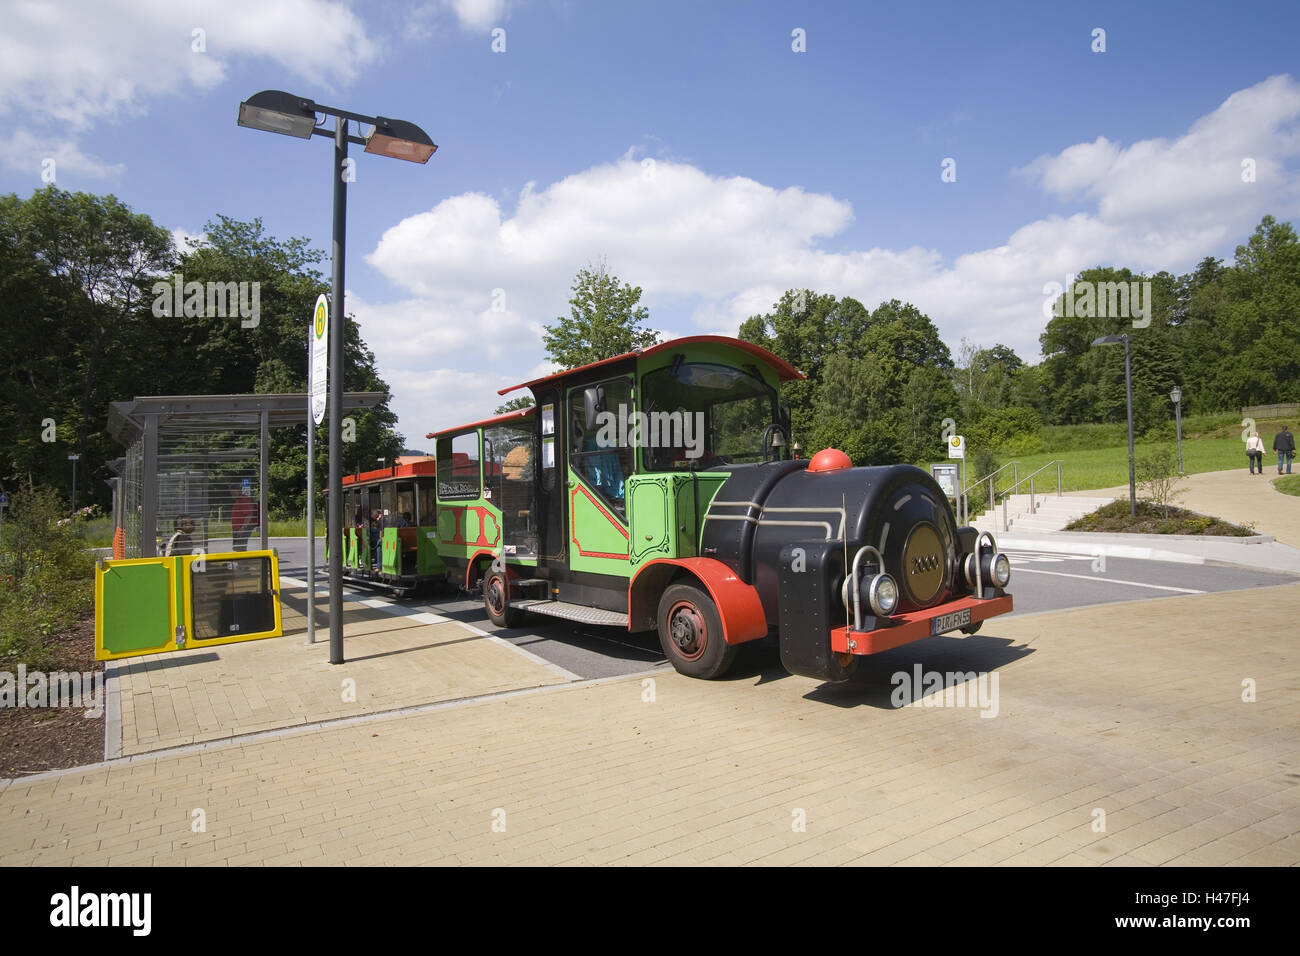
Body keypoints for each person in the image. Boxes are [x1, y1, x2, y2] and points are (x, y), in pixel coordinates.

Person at [231, 486, 259, 551]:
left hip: (242, 528)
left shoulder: (245, 500)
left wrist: (242, 528)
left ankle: (242, 560)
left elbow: (249, 514)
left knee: (240, 549)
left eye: (234, 492)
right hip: (238, 528)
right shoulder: (238, 500)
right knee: (237, 548)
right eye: (231, 492)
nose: (232, 494)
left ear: (240, 491)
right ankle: (240, 560)